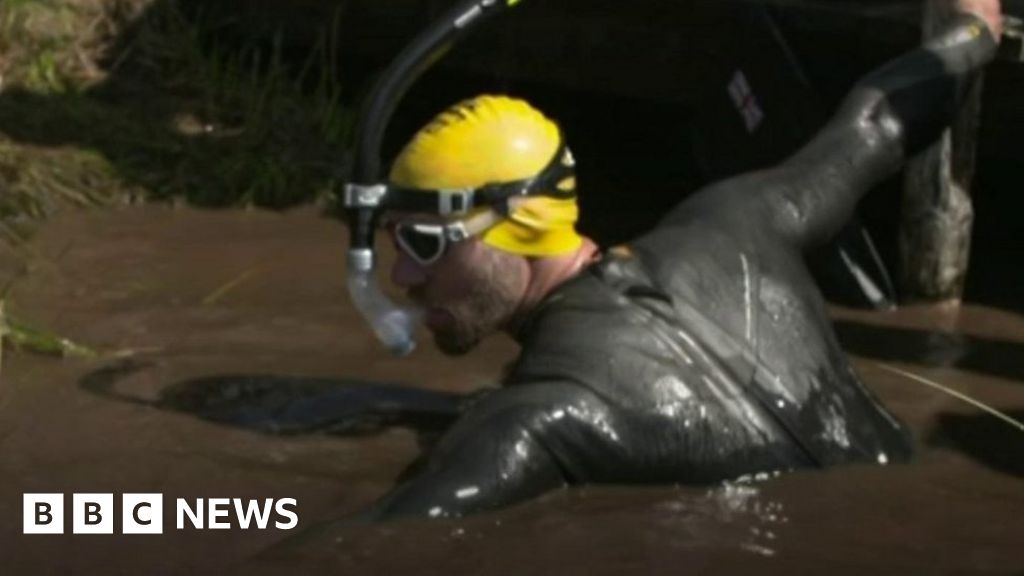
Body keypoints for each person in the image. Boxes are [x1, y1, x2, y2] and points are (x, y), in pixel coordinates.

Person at [370, 0, 1004, 519]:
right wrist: (974, 32)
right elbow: (878, 122)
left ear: (518, 224)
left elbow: (369, 545)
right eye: (397, 245)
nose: (402, 278)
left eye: (426, 245)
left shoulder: (537, 419)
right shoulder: (738, 222)